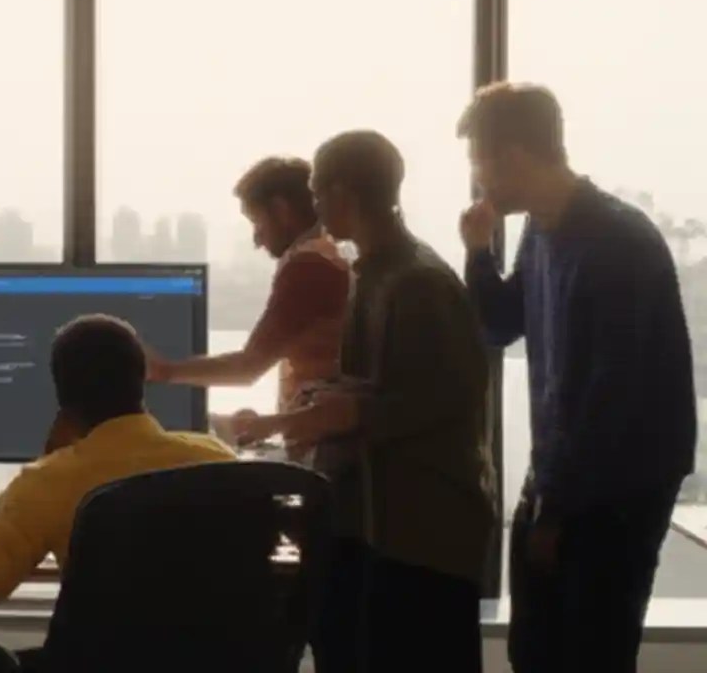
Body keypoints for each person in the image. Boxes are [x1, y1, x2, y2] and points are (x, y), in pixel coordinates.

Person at [457, 82, 697, 672]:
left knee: (591, 651)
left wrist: (557, 508)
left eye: (480, 163)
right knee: (535, 651)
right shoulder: (542, 231)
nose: (479, 179)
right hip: (564, 480)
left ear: (513, 155)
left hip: (617, 490)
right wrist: (478, 252)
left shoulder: (618, 240)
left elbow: (611, 396)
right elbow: (499, 326)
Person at [243, 131, 495, 672]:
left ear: (343, 193)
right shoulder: (372, 273)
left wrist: (308, 416)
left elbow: (433, 399)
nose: (313, 204)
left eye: (316, 189)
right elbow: (372, 386)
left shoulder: (418, 282)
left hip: (423, 535)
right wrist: (313, 403)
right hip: (380, 525)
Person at [0, 314, 235, 610]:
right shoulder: (217, 458)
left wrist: (25, 484)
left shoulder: (48, 482)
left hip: (105, 655)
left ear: (62, 398)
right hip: (222, 655)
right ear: (142, 379)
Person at [145, 157, 351, 447]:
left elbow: (247, 368)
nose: (257, 239)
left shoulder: (308, 264)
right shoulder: (333, 256)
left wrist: (163, 371)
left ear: (281, 210)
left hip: (327, 453)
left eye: (257, 221)